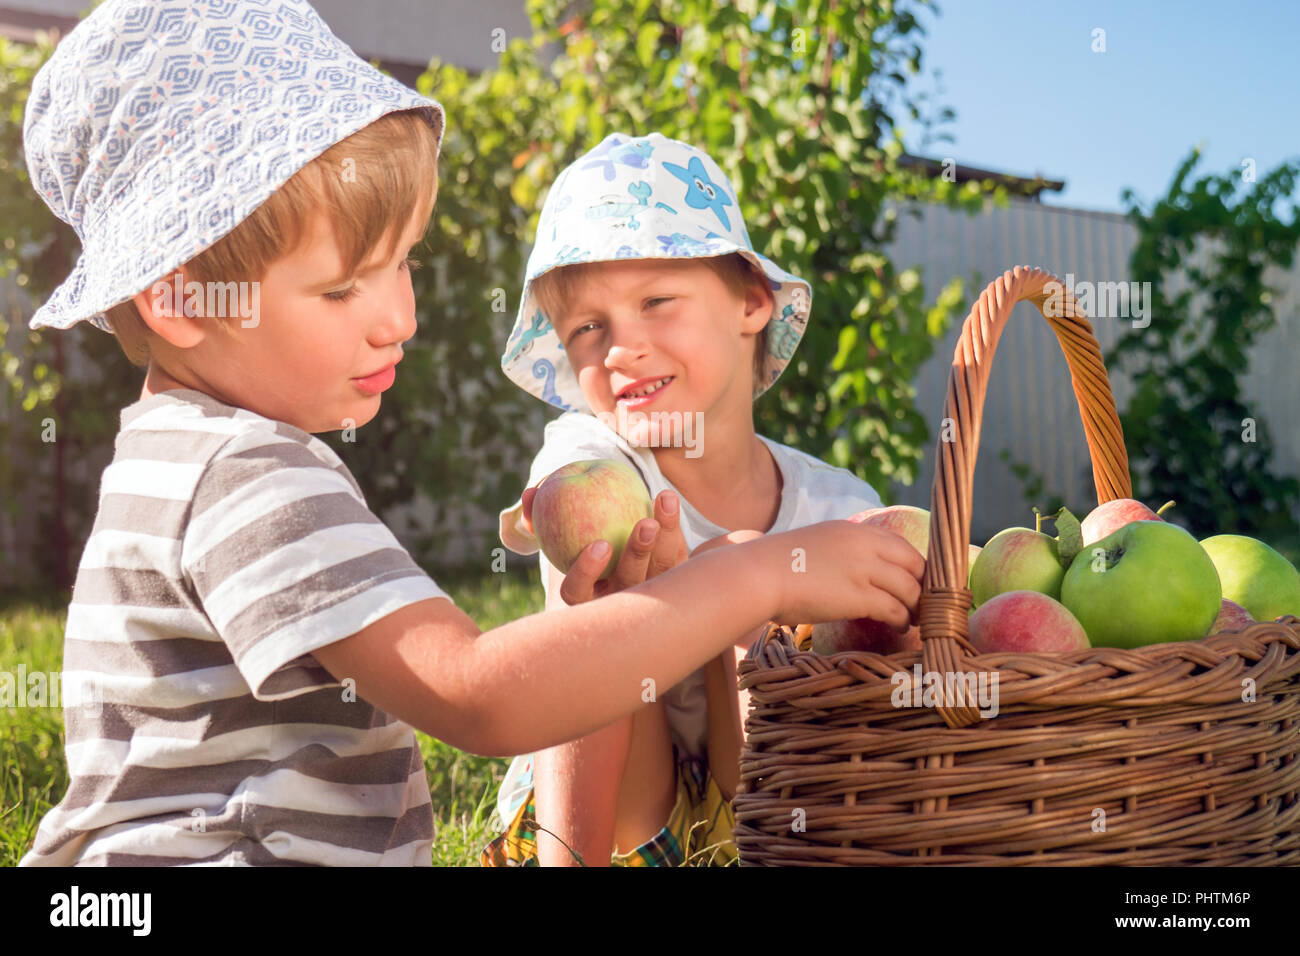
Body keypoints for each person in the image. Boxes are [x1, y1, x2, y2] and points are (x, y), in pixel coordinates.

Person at [17, 2, 924, 867]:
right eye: (343, 288)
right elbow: (480, 695)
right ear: (179, 300)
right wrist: (752, 571)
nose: (398, 320)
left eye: (403, 263)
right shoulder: (247, 475)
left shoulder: (186, 454)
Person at [483, 132, 909, 867]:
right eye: (589, 327)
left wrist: (728, 586)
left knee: (748, 587)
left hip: (762, 801)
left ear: (751, 302)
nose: (621, 348)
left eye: (656, 302)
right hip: (621, 806)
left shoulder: (839, 509)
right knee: (603, 606)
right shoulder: (590, 463)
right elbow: (571, 663)